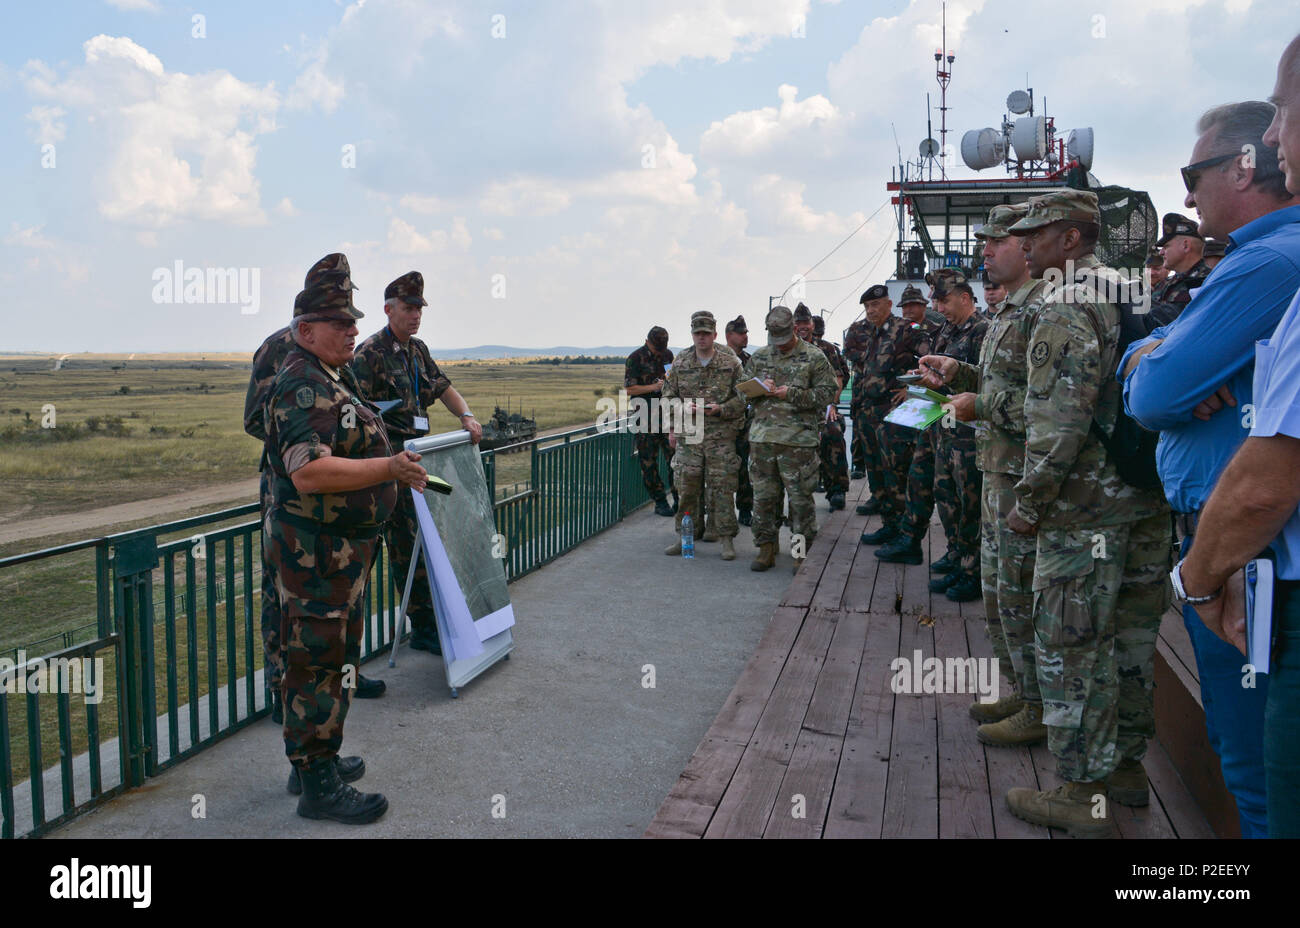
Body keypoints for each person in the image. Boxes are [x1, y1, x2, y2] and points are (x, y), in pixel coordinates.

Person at [1121, 98, 1300, 838]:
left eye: (1195, 175)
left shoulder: (1264, 261)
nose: (1188, 198)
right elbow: (1145, 367)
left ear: (1246, 164)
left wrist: (1195, 580)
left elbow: (1152, 393)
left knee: (1257, 773)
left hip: (1246, 565)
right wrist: (1147, 359)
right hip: (1244, 553)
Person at [1003, 190, 1171, 837]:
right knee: (1131, 641)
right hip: (1144, 497)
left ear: (1072, 238)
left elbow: (1058, 422)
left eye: (1036, 233)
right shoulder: (1129, 289)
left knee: (1072, 647)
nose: (1025, 243)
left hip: (1085, 510)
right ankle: (1126, 771)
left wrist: (1029, 504)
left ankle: (1083, 793)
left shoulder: (1069, 303)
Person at [1178, 33, 1300, 838]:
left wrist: (1193, 581)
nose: (1283, 136)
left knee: (1265, 791)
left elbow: (1265, 484)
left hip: (1261, 579)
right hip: (1255, 572)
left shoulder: (1269, 264)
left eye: (1287, 113)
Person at [264, 256, 427, 824]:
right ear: (306, 331)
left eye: (354, 320)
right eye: (339, 322)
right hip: (316, 557)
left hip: (338, 556)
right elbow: (310, 471)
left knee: (331, 661)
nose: (354, 329)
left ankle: (319, 762)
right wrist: (389, 470)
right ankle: (317, 784)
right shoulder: (301, 384)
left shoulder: (330, 374)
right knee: (315, 663)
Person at [919, 204, 1050, 744]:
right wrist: (959, 370)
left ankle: (1039, 707)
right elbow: (1005, 383)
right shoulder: (1010, 313)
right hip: (997, 470)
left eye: (997, 241)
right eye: (984, 243)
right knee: (1003, 597)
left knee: (1022, 594)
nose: (985, 252)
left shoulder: (1049, 309)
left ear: (1030, 245)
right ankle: (1023, 691)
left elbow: (1057, 408)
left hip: (1023, 476)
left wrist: (983, 405)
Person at [244, 255, 385, 724]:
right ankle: (288, 708)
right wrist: (305, 441)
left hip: (339, 512)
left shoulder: (333, 358)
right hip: (297, 507)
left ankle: (336, 683)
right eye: (339, 308)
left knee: (334, 619)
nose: (349, 323)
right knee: (289, 615)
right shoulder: (282, 351)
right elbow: (258, 420)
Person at [352, 271, 482, 657]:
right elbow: (355, 413)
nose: (415, 316)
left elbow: (441, 386)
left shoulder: (417, 350)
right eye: (408, 308)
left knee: (415, 544)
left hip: (414, 463)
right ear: (388, 309)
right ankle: (350, 648)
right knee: (377, 552)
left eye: (419, 309)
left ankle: (424, 625)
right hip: (383, 467)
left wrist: (467, 417)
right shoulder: (369, 354)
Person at [744, 306, 838, 572]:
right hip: (763, 440)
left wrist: (793, 394)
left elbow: (827, 393)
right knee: (764, 498)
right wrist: (758, 388)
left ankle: (799, 552)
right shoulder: (760, 357)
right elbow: (741, 391)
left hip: (798, 442)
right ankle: (766, 548)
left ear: (795, 329)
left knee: (799, 501)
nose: (780, 345)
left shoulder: (814, 357)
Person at [662, 311, 746, 560]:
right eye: (697, 333)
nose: (701, 338)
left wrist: (722, 408)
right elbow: (667, 396)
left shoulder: (730, 362)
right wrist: (682, 412)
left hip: (720, 435)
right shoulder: (681, 362)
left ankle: (726, 539)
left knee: (722, 488)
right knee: (686, 488)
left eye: (706, 334)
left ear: (715, 335)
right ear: (692, 334)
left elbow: (743, 396)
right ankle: (684, 537)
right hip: (690, 436)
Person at [871, 286, 942, 566]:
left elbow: (935, 364)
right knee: (903, 467)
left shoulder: (926, 327)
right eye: (906, 306)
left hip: (943, 411)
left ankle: (959, 557)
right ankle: (901, 531)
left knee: (933, 482)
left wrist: (910, 389)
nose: (909, 310)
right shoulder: (886, 330)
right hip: (920, 409)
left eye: (914, 305)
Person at [855, 286, 927, 548]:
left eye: (875, 305)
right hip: (868, 411)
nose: (871, 311)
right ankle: (888, 524)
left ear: (888, 303)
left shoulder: (907, 329)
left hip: (892, 413)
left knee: (895, 472)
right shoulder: (873, 333)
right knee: (876, 473)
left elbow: (930, 357)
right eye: (867, 307)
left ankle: (903, 530)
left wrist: (913, 388)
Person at [794, 304, 849, 511]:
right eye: (797, 323)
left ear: (812, 324)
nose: (802, 327)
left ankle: (837, 490)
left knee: (832, 433)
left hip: (822, 408)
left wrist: (832, 404)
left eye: (805, 322)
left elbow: (838, 378)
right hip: (794, 411)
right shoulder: (785, 348)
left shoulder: (826, 348)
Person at [625, 327, 676, 516]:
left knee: (675, 459)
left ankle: (679, 499)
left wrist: (667, 383)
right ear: (648, 341)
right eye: (657, 348)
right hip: (645, 416)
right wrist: (653, 386)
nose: (659, 352)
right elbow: (629, 389)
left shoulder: (668, 355)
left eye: (662, 348)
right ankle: (660, 501)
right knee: (648, 462)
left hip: (666, 414)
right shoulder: (635, 358)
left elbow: (672, 377)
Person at [1146, 213, 1211, 332]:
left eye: (1166, 246)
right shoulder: (1165, 283)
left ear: (1185, 245)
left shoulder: (1206, 282)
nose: (1161, 253)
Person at [725, 316, 754, 526]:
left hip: (745, 423)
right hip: (722, 422)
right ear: (729, 335)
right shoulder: (719, 358)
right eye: (741, 333)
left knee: (745, 468)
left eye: (746, 333)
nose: (745, 336)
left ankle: (745, 510)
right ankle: (721, 513)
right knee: (721, 470)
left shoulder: (750, 360)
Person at [841, 310, 875, 485]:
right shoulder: (856, 328)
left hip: (883, 387)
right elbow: (847, 351)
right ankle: (858, 464)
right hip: (861, 384)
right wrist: (869, 358)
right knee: (859, 424)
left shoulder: (891, 328)